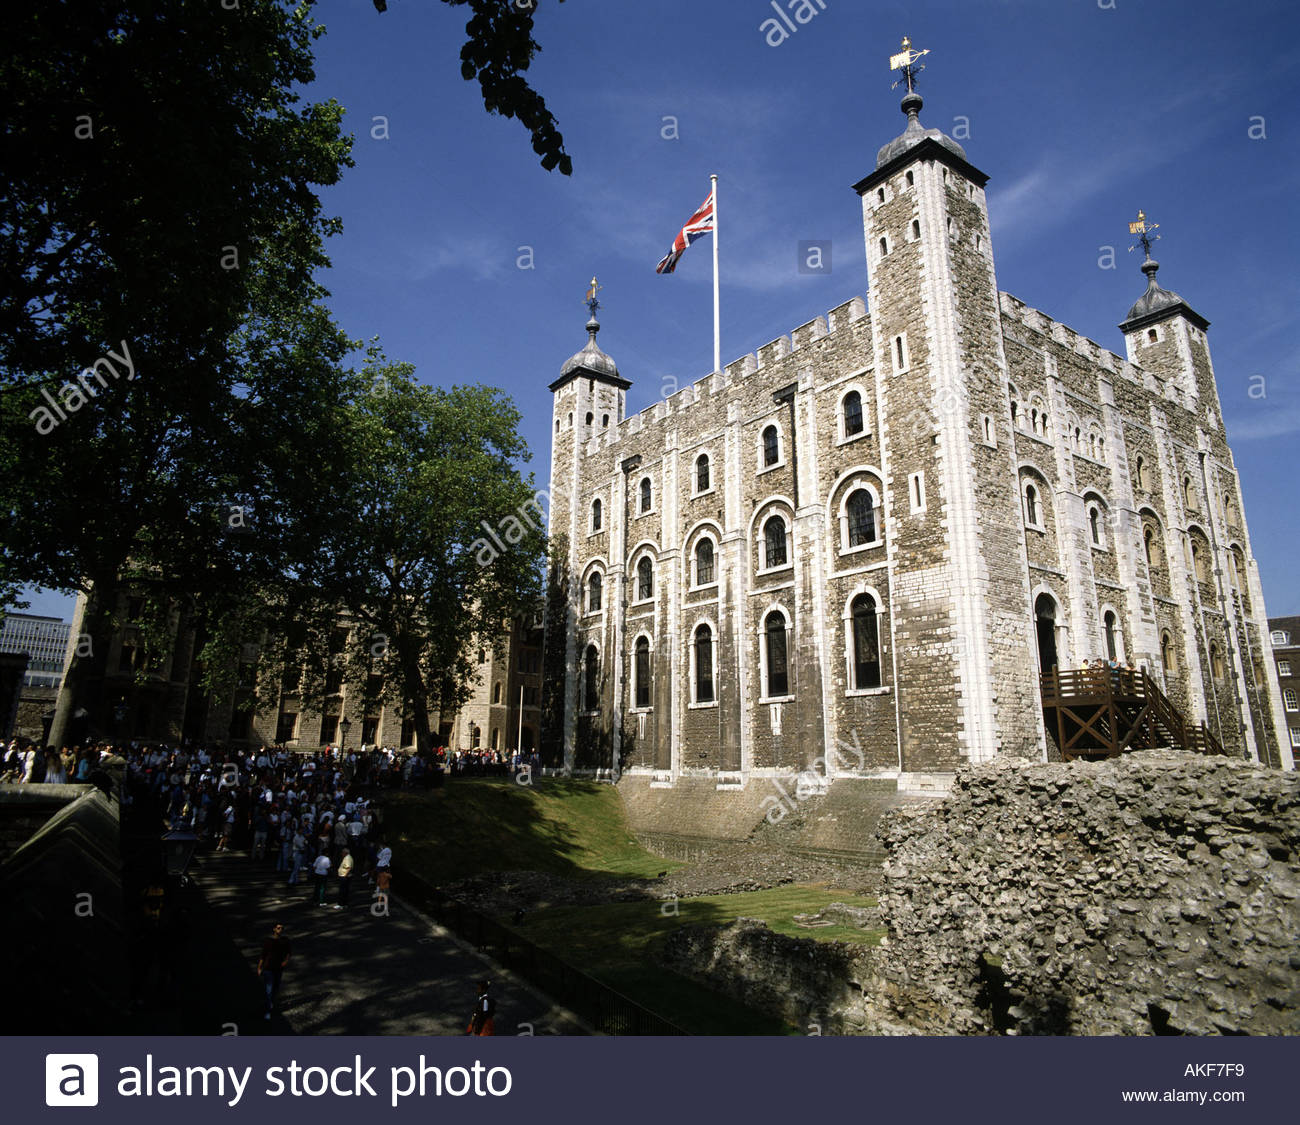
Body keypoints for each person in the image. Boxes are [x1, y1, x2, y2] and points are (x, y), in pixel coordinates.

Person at [257, 922, 292, 1021]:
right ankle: (268, 1010)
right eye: (278, 928)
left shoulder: (285, 941)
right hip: (268, 968)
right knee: (269, 989)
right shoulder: (268, 941)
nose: (280, 929)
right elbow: (263, 955)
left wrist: (285, 962)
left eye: (282, 928)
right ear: (274, 929)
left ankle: (271, 1004)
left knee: (275, 988)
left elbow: (289, 953)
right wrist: (259, 967)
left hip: (278, 969)